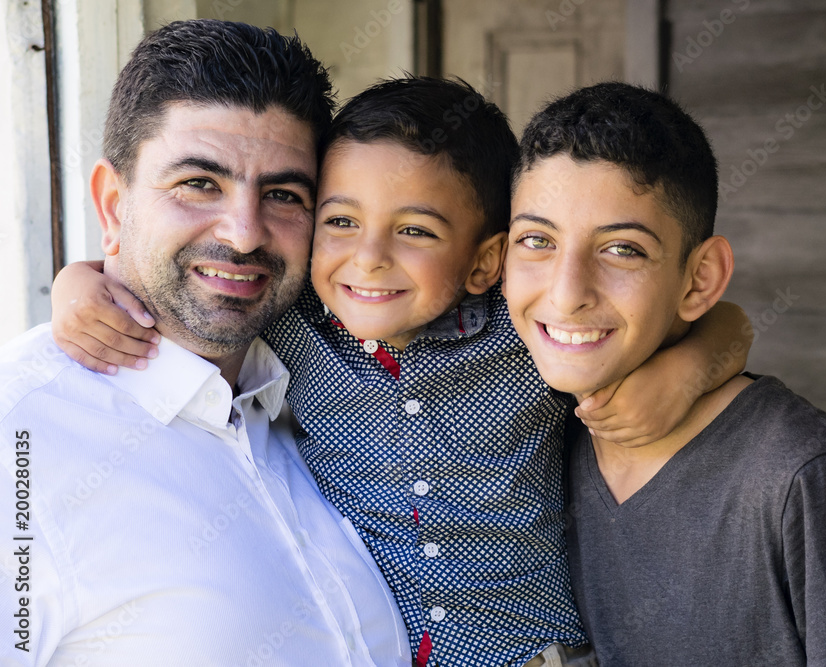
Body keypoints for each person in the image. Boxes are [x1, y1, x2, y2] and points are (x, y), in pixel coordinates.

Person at [48, 76, 752, 666]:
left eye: (415, 230)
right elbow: (180, 277)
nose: (370, 257)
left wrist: (685, 371)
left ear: (486, 260)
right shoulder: (297, 325)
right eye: (341, 221)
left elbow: (724, 323)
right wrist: (78, 284)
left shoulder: (527, 333)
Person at [0, 20, 410, 665]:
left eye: (282, 194)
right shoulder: (18, 438)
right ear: (112, 206)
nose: (245, 233)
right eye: (199, 183)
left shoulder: (332, 377)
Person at [503, 82, 826, 666]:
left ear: (699, 279)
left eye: (622, 249)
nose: (566, 291)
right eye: (536, 240)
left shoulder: (800, 479)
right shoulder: (531, 428)